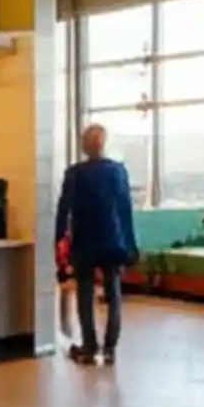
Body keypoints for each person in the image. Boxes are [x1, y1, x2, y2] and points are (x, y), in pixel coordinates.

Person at [55, 124, 138, 365]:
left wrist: (59, 242)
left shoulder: (74, 174)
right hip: (113, 240)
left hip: (85, 241)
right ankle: (110, 347)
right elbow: (125, 211)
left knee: (85, 292)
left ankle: (89, 346)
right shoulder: (118, 172)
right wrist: (130, 245)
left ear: (84, 145)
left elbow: (64, 212)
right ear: (104, 144)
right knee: (113, 292)